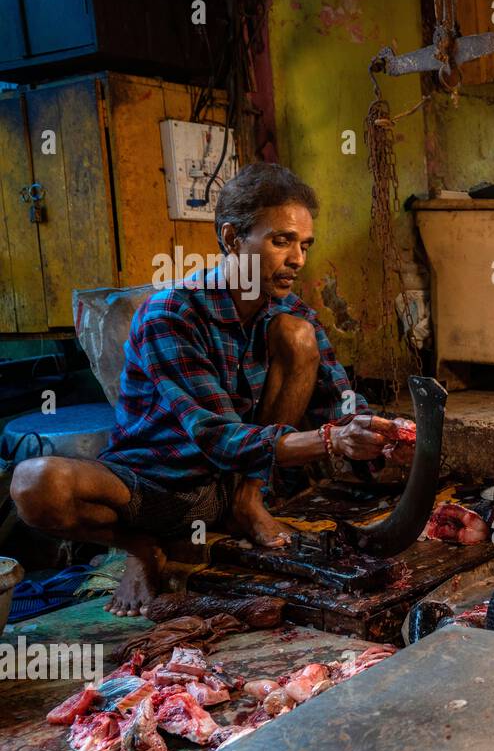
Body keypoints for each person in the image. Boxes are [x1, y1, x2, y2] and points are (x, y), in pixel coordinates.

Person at [10, 163, 413, 616]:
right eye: (281, 240)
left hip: (229, 485)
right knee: (34, 482)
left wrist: (380, 433)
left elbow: (337, 400)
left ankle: (247, 505)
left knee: (296, 335)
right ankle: (141, 549)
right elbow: (217, 437)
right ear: (232, 238)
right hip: (150, 487)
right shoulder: (171, 314)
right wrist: (329, 441)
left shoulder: (293, 312)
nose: (298, 259)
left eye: (304, 245)